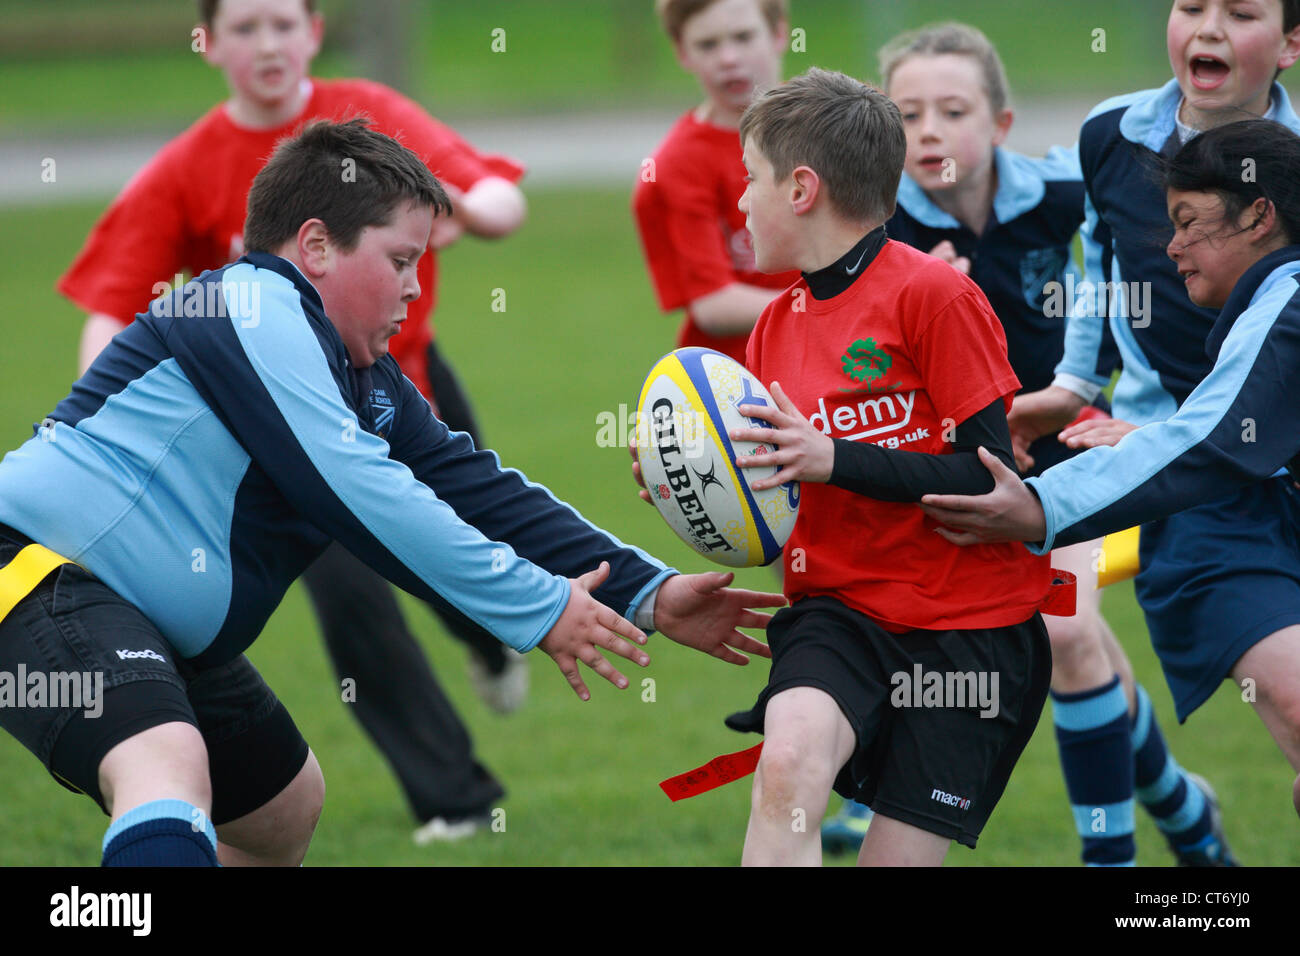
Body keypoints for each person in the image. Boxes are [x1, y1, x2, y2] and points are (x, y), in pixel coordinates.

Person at [0, 119, 781, 867]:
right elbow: (356, 489)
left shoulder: (367, 382)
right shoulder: (248, 303)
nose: (415, 287)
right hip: (42, 572)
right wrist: (537, 606)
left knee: (283, 811)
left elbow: (480, 490)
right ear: (314, 246)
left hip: (149, 615)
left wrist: (652, 590)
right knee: (163, 765)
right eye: (401, 259)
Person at [57, 0, 531, 843]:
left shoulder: (371, 116)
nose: (267, 43)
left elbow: (493, 192)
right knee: (356, 604)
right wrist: (101, 411)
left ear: (314, 32)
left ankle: (494, 643)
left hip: (410, 392)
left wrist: (479, 205)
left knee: (464, 555)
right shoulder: (186, 167)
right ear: (209, 43)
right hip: (289, 433)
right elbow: (112, 304)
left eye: (284, 23)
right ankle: (456, 799)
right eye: (244, 26)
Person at [878, 21, 1230, 867]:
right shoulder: (882, 240)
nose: (930, 130)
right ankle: (1186, 817)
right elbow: (864, 389)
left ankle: (1111, 862)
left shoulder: (1074, 191)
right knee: (1085, 647)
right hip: (974, 473)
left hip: (1082, 448)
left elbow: (1133, 280)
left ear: (999, 124)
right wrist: (917, 316)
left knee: (1067, 635)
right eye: (908, 115)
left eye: (952, 109)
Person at [689, 68, 1056, 866]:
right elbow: (781, 489)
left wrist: (835, 458)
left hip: (969, 632)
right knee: (785, 767)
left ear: (802, 188)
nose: (741, 203)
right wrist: (698, 481)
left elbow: (987, 479)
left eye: (750, 180)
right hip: (841, 614)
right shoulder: (773, 327)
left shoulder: (934, 296)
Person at [918, 61, 1300, 827]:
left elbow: (1214, 437)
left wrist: (1033, 508)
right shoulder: (1262, 300)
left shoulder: (1282, 304)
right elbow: (1216, 433)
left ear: (1259, 217)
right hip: (1214, 524)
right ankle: (1156, 833)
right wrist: (1077, 393)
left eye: (1188, 224)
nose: (1168, 249)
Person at [632, 0, 800, 367]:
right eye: (707, 45)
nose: (728, 58)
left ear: (779, 32)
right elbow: (715, 305)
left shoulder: (831, 125)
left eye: (743, 37)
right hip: (738, 386)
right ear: (681, 51)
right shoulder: (676, 165)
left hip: (843, 363)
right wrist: (840, 303)